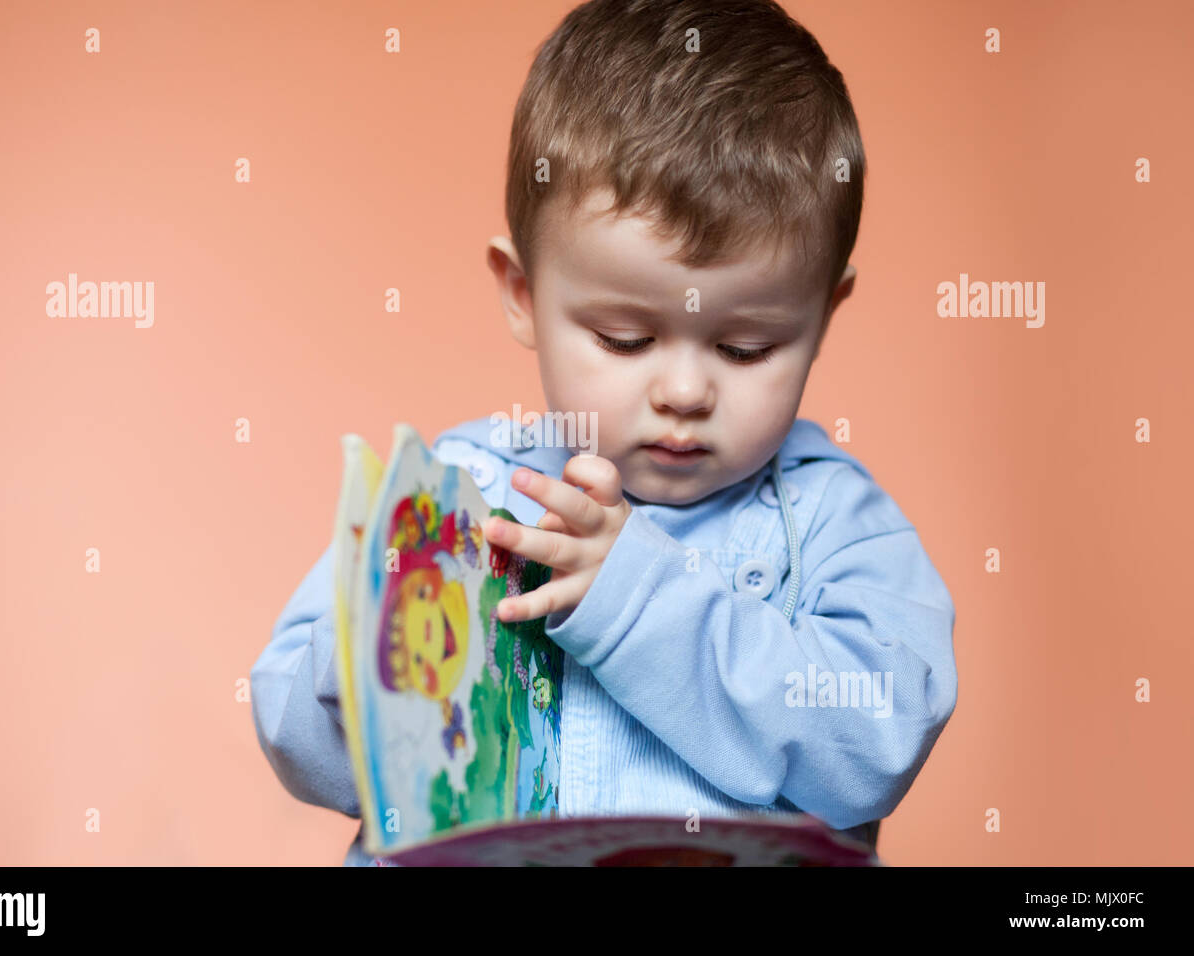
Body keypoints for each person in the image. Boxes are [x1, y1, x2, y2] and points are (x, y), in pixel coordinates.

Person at [251, 0, 957, 866]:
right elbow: (291, 723)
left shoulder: (834, 521)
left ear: (825, 312)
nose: (687, 390)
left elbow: (873, 746)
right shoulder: (463, 489)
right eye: (626, 340)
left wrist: (637, 600)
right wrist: (375, 652)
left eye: (748, 346)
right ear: (522, 294)